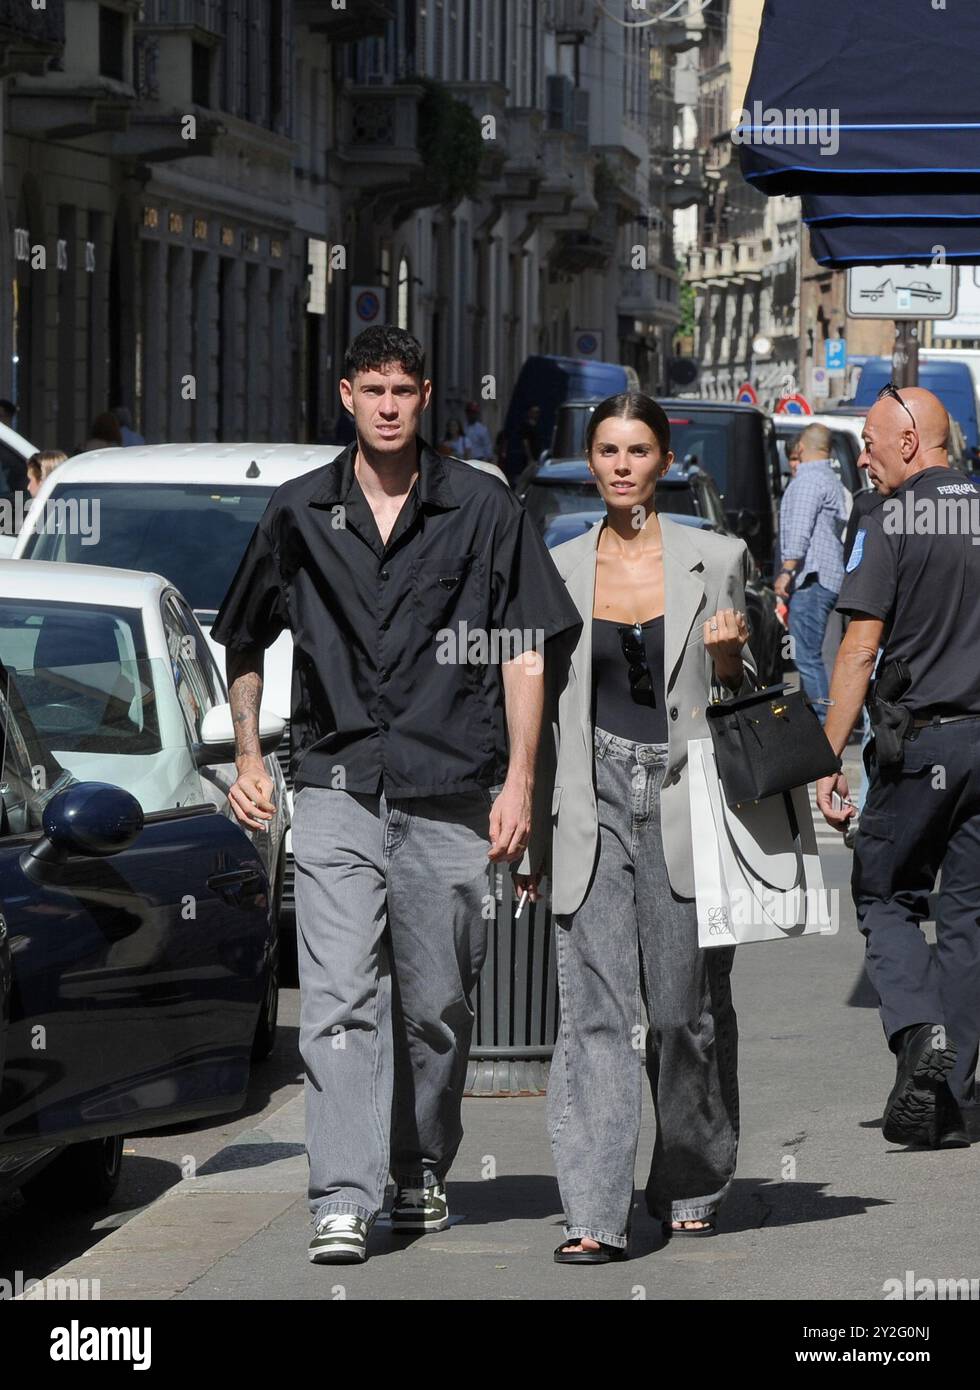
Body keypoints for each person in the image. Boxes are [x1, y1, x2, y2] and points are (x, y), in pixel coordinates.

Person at [211, 325, 581, 1265]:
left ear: (426, 398)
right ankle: (341, 1190)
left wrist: (521, 784)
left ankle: (419, 1165)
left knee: (437, 1008)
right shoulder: (299, 513)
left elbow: (526, 646)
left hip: (451, 787)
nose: (386, 405)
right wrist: (252, 757)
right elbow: (243, 637)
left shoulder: (482, 508)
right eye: (371, 388)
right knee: (337, 995)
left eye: (402, 390)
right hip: (335, 784)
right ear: (345, 395)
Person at [516, 391, 756, 1263]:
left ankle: (690, 1174)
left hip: (688, 792)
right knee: (594, 1014)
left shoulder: (716, 556)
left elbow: (744, 696)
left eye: (639, 450)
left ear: (666, 461)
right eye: (609, 450)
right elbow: (537, 707)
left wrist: (729, 658)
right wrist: (531, 826)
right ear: (592, 460)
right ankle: (594, 1211)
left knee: (683, 1012)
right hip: (593, 795)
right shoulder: (561, 562)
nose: (623, 465)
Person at [817, 383, 980, 1149]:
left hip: (921, 746)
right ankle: (945, 1098)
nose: (868, 458)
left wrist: (827, 756)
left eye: (874, 444)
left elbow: (858, 647)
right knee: (969, 917)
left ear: (911, 443)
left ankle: (919, 1031)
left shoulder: (897, 517)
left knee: (884, 892)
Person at [774, 423, 849, 724]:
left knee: (806, 658)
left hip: (811, 578)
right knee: (813, 657)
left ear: (801, 448)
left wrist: (786, 571)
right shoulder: (829, 478)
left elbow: (800, 530)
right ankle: (822, 720)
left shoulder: (808, 480)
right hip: (827, 577)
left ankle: (821, 724)